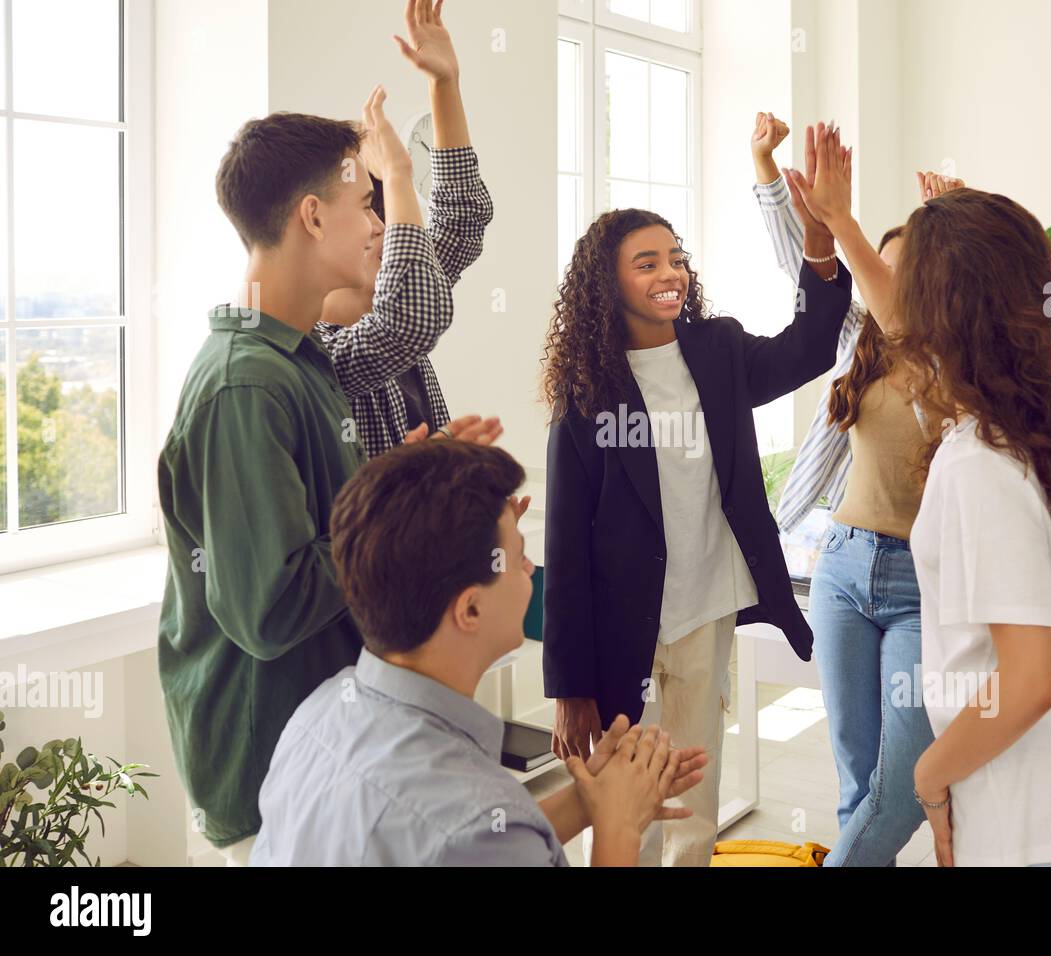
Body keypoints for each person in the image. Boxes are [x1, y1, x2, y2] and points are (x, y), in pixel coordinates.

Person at [157, 3, 496, 865]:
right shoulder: (246, 383)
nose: (380, 219)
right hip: (273, 775)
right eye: (362, 199)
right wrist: (402, 506)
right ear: (312, 217)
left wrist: (406, 477)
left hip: (320, 753)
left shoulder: (296, 359)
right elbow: (270, 609)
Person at [792, 125, 1051, 866]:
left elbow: (1030, 682)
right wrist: (845, 226)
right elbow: (903, 322)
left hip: (1038, 825)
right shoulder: (1035, 410)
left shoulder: (979, 461)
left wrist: (929, 772)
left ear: (939, 316)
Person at [541, 204, 852, 866]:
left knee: (693, 799)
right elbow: (565, 546)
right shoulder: (586, 392)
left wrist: (820, 248)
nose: (670, 273)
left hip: (703, 609)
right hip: (622, 629)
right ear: (607, 283)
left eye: (676, 258)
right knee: (631, 805)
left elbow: (809, 348)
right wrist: (569, 687)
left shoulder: (718, 351)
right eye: (647, 263)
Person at [251, 440, 708, 866]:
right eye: (518, 557)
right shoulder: (478, 827)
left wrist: (588, 799)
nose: (530, 570)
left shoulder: (315, 716)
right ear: (469, 608)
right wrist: (619, 829)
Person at [752, 112, 939, 866]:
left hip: (928, 582)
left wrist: (946, 211)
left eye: (892, 271)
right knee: (855, 771)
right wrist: (767, 169)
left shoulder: (964, 364)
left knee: (906, 776)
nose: (877, 282)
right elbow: (801, 259)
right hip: (843, 566)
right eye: (874, 269)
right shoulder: (857, 337)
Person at [318, 0, 500, 457]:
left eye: (380, 208)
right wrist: (397, 174)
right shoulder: (322, 358)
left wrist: (445, 84)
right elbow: (406, 320)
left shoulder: (394, 295)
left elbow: (462, 219)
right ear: (314, 225)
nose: (382, 225)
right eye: (367, 209)